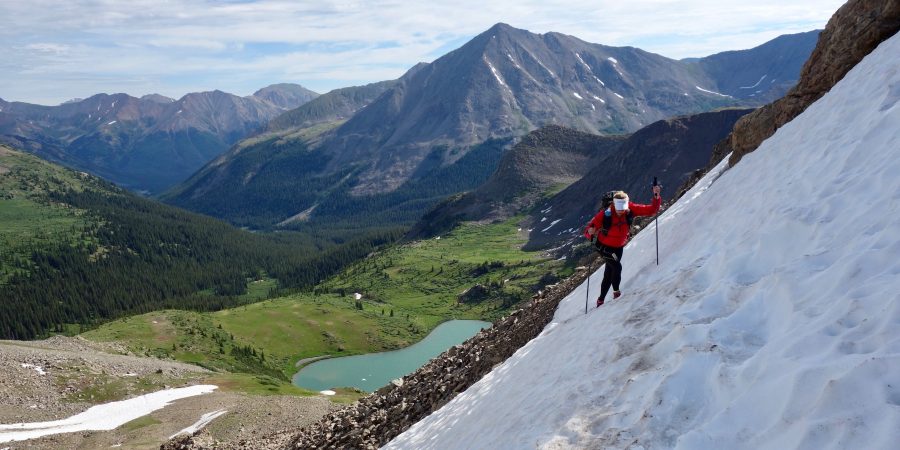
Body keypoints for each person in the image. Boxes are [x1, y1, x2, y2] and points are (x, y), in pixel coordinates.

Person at [584, 187, 661, 306]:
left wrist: (656, 196)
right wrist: (590, 231)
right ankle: (616, 293)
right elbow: (587, 231)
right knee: (617, 267)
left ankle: (601, 300)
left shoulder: (630, 208)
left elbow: (651, 210)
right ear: (614, 204)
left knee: (609, 272)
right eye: (618, 208)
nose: (621, 211)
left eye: (623, 208)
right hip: (604, 247)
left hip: (618, 246)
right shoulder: (604, 214)